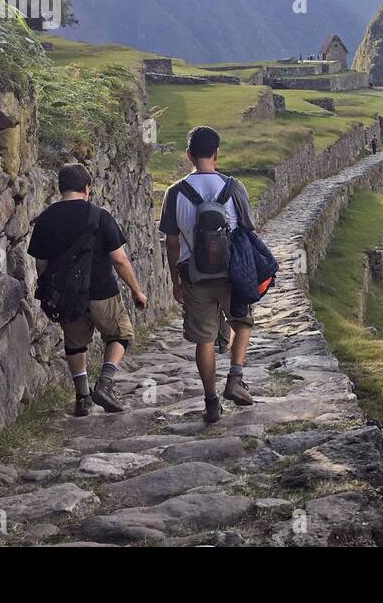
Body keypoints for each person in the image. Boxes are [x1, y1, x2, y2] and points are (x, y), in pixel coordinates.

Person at [28, 163, 148, 416]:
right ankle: (104, 384)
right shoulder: (99, 215)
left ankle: (83, 397)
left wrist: (51, 290)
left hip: (67, 297)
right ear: (86, 188)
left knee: (75, 345)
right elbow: (119, 259)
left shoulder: (46, 218)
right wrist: (137, 291)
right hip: (102, 291)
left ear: (60, 188)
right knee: (121, 335)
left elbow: (41, 262)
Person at [159, 126, 257, 424]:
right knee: (242, 323)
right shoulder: (233, 187)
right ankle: (235, 378)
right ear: (217, 153)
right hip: (231, 274)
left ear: (188, 154)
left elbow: (172, 241)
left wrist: (175, 279)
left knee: (204, 339)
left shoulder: (175, 193)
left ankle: (211, 402)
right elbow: (249, 230)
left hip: (195, 276)